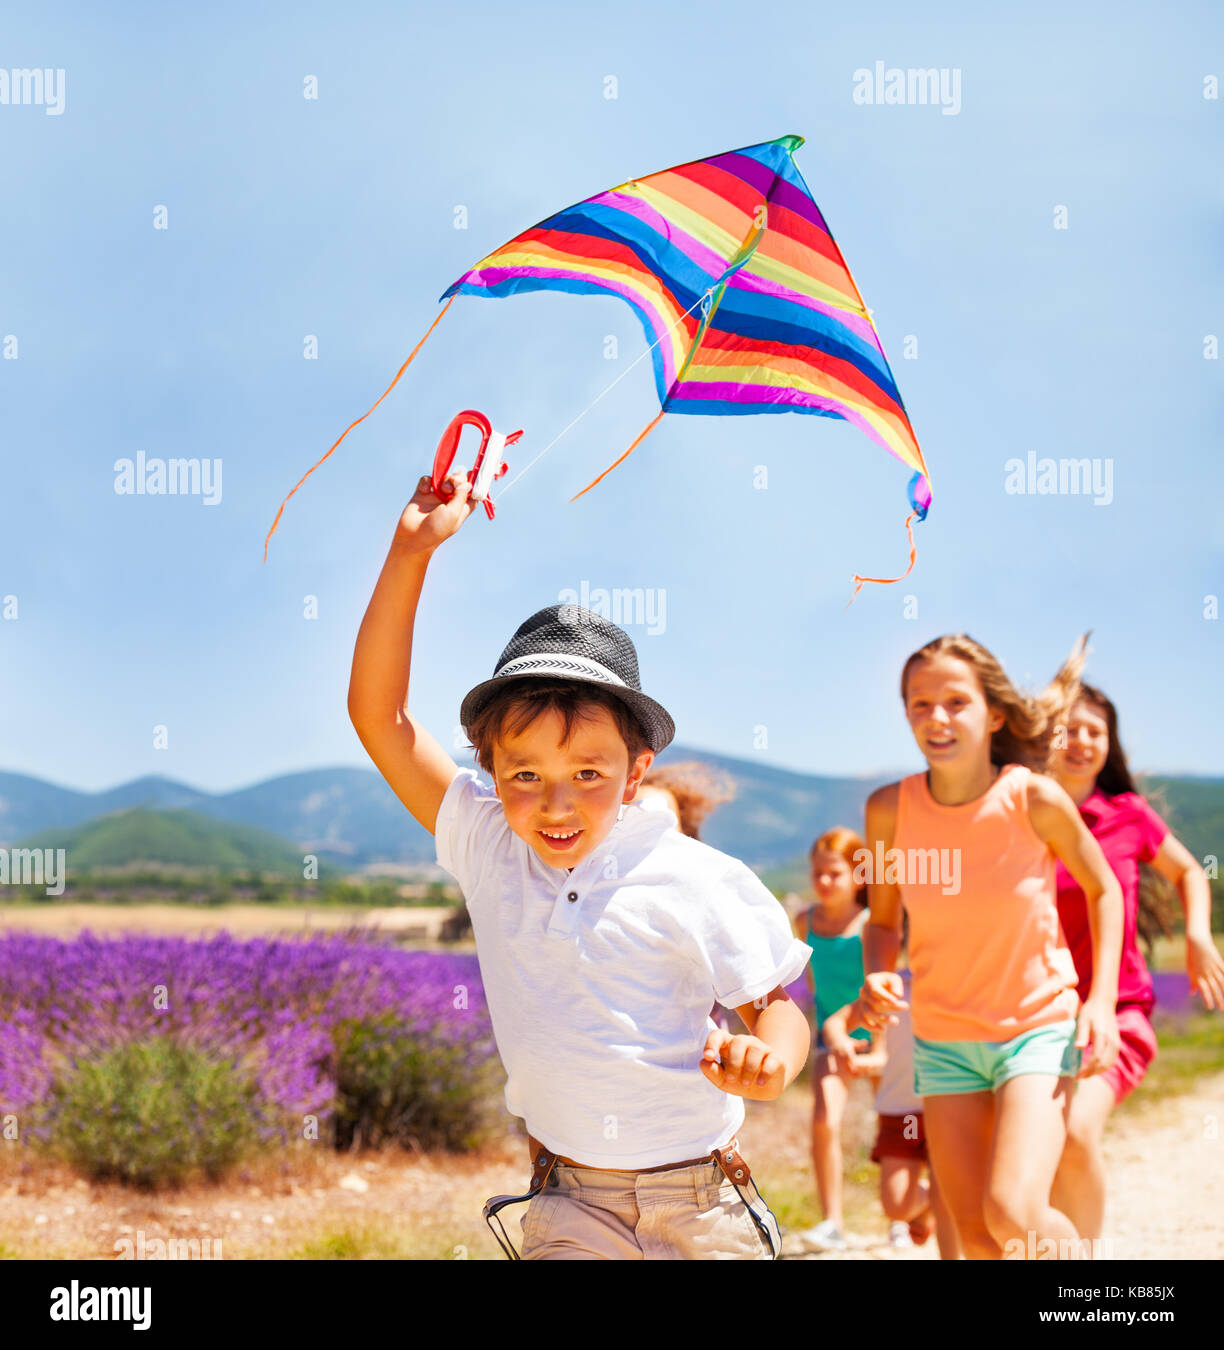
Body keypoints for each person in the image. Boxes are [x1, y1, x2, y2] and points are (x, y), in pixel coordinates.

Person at [346, 471, 812, 1260]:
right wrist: (410, 551)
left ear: (637, 772)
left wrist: (773, 1062)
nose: (555, 805)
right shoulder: (489, 845)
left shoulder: (695, 878)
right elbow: (379, 717)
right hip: (569, 1199)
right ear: (489, 773)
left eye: (587, 774)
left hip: (700, 1201)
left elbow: (775, 1006)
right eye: (525, 775)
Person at [856, 633, 1125, 1261]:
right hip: (944, 1040)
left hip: (1035, 1027)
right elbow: (882, 920)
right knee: (976, 1238)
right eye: (919, 705)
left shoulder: (1033, 797)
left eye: (955, 701)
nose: (936, 718)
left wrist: (1102, 1000)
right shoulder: (887, 811)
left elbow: (1103, 888)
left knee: (1016, 1213)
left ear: (993, 714)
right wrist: (876, 974)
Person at [1047, 683, 1224, 1240]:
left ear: (1109, 744)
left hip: (1118, 1010)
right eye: (1067, 728)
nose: (1080, 742)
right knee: (1040, 1149)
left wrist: (1197, 934)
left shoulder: (1129, 815)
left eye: (1093, 732)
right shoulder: (1022, 813)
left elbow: (1190, 871)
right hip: (1036, 1014)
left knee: (1074, 1132)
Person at [825, 979, 961, 1259]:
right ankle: (926, 1202)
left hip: (948, 1106)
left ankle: (946, 1236)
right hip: (904, 1114)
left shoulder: (958, 979)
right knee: (897, 1206)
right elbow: (836, 1022)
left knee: (946, 1189)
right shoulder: (890, 989)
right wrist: (842, 1043)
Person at [791, 828, 876, 1252]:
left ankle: (903, 1215)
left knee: (900, 1125)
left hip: (880, 1039)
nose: (823, 882)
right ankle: (833, 1222)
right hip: (829, 1036)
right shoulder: (804, 921)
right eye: (817, 873)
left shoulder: (874, 924)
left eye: (834, 873)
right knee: (825, 1121)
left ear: (858, 875)